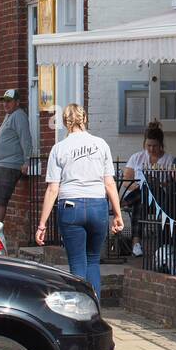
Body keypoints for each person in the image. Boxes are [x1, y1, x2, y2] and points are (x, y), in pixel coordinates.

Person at [35, 103, 123, 299]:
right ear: (85, 119)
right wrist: (117, 214)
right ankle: (95, 310)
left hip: (70, 207)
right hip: (97, 206)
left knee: (77, 263)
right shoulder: (101, 145)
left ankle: (80, 311)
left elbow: (52, 189)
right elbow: (109, 183)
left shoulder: (59, 148)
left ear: (66, 122)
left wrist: (42, 225)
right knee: (93, 261)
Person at [122, 121, 173, 257]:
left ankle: (135, 242)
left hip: (159, 201)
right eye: (148, 145)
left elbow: (170, 184)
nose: (151, 149)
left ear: (161, 144)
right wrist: (139, 187)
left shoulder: (168, 159)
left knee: (150, 185)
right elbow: (126, 181)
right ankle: (137, 244)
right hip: (141, 199)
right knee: (142, 198)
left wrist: (158, 184)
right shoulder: (137, 157)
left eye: (154, 146)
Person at [0, 88, 34, 223]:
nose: (5, 104)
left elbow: (26, 139)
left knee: (0, 199)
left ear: (17, 102)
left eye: (9, 101)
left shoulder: (19, 116)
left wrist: (27, 161)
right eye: (4, 101)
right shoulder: (9, 115)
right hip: (0, 164)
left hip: (11, 165)